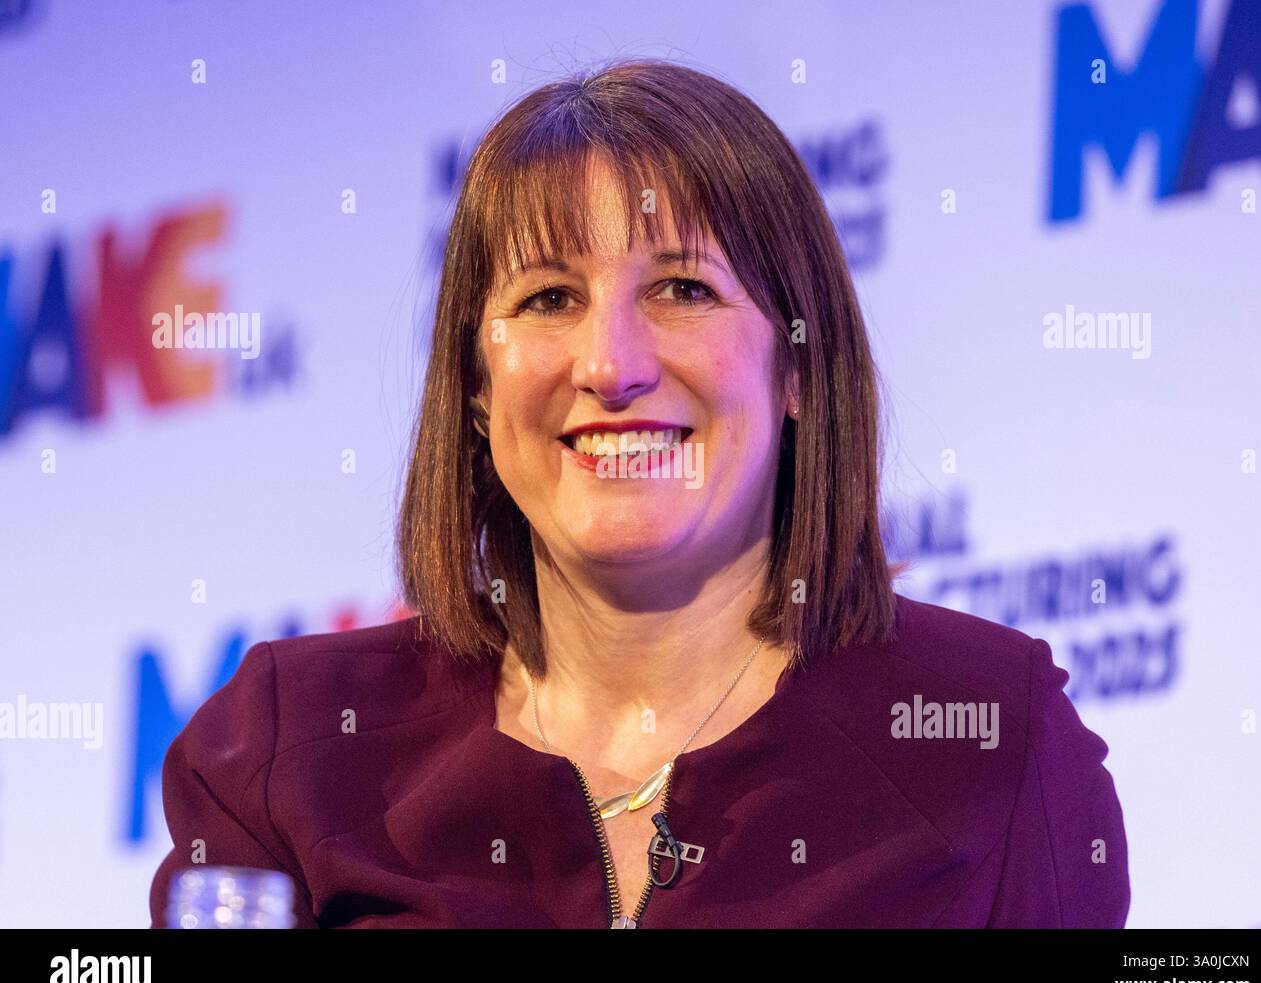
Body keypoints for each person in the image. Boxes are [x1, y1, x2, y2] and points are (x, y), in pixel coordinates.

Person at [149, 57, 1129, 929]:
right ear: (478, 389)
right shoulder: (289, 746)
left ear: (796, 366)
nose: (610, 365)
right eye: (548, 299)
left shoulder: (990, 735)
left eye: (682, 290)